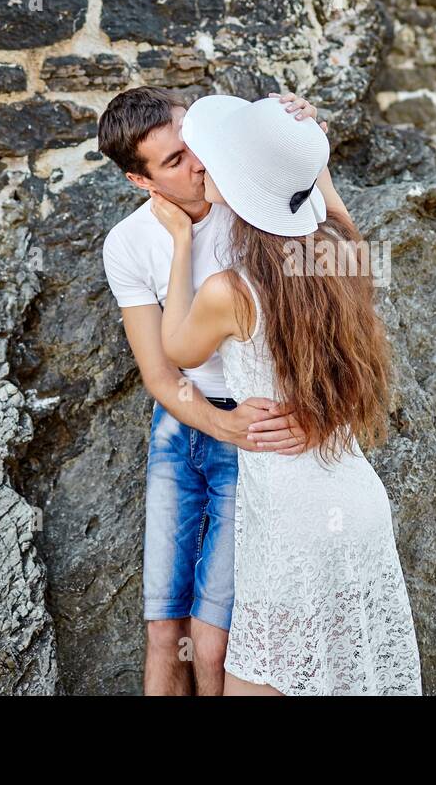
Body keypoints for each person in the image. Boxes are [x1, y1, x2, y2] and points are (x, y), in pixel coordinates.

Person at [150, 93, 423, 695]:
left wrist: (178, 242)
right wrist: (310, 160)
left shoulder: (230, 290)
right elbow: (340, 221)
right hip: (355, 502)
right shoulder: (339, 256)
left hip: (292, 519)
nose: (199, 162)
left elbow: (177, 348)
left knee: (262, 681)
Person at [97, 86, 329, 695]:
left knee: (215, 637)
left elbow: (330, 246)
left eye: (191, 145)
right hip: (180, 427)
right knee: (162, 629)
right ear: (138, 181)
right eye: (172, 162)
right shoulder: (126, 243)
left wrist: (305, 130)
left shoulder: (245, 204)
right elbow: (159, 371)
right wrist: (217, 423)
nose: (196, 164)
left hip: (257, 427)